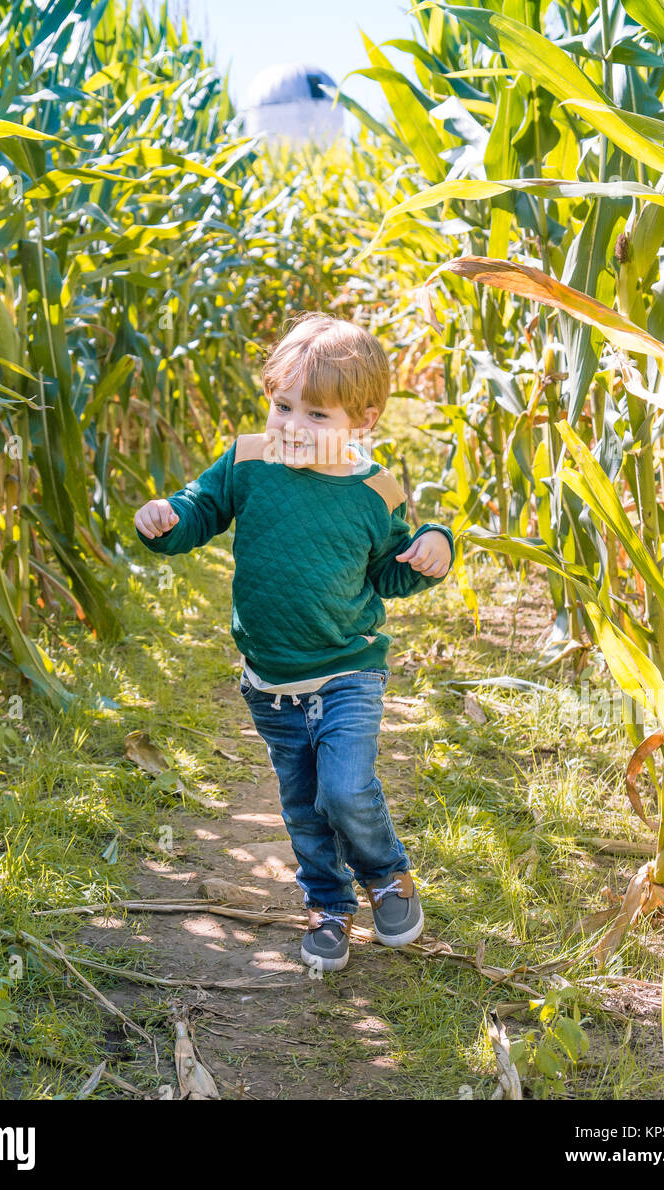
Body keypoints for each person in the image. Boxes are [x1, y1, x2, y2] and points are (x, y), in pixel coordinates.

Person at [134, 311, 455, 972]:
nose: (291, 426)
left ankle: (388, 876)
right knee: (305, 807)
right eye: (283, 406)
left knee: (344, 789)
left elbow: (388, 572)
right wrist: (167, 519)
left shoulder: (377, 488)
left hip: (347, 668)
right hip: (270, 680)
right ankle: (328, 907)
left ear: (362, 421)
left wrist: (433, 551)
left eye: (317, 416)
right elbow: (201, 509)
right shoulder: (249, 459)